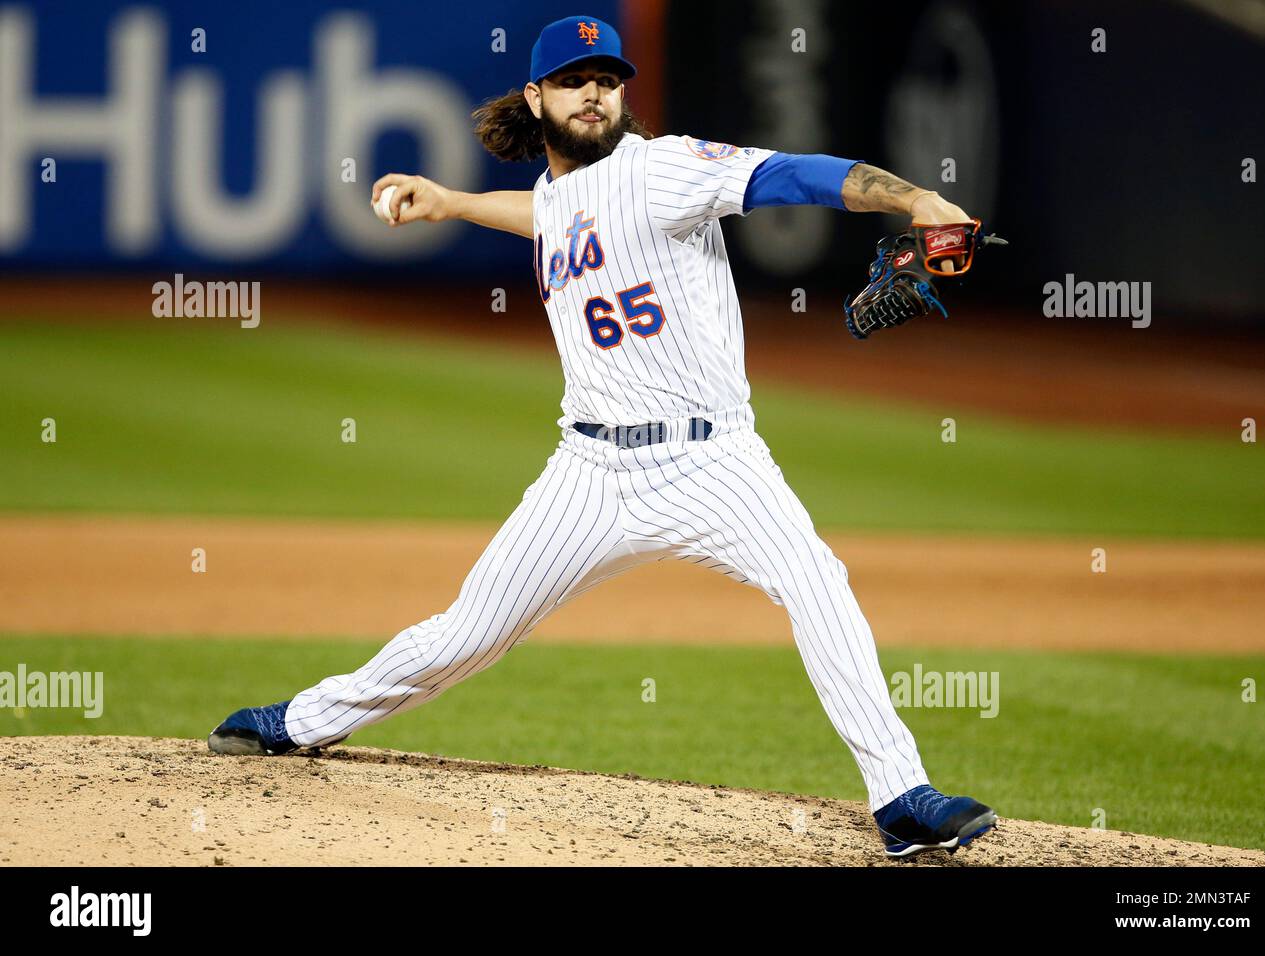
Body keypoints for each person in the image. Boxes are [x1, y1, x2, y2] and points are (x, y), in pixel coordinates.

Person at [208, 14, 996, 859]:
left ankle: (901, 798)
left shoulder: (666, 168)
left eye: (609, 78)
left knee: (816, 582)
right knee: (469, 632)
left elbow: (793, 175)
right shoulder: (560, 194)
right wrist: (453, 203)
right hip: (586, 470)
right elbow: (552, 215)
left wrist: (915, 198)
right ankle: (300, 723)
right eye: (577, 78)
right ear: (536, 96)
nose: (595, 91)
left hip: (712, 460)